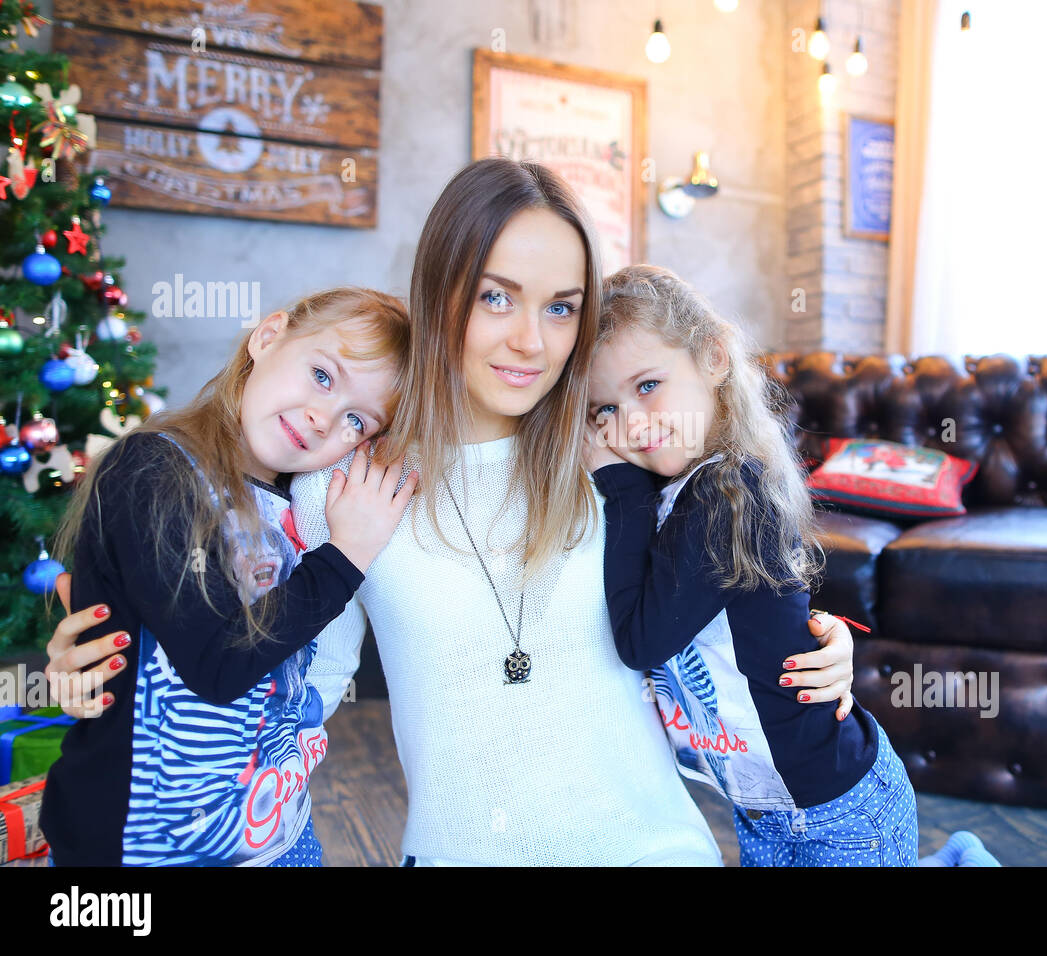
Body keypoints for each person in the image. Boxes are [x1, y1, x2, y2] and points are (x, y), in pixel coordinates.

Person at [43, 158, 859, 866]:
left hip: (656, 850)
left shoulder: (620, 458)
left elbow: (731, 610)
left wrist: (821, 648)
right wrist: (101, 667)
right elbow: (282, 682)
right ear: (442, 293)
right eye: (497, 297)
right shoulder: (346, 486)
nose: (531, 342)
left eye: (561, 307)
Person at [39, 288, 418, 866]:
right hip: (142, 849)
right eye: (322, 375)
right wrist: (346, 554)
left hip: (278, 833)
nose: (323, 419)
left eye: (356, 420)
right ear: (267, 337)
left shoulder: (306, 502)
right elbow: (216, 665)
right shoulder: (155, 468)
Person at [584, 264, 919, 866]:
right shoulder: (674, 489)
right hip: (762, 807)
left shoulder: (726, 489)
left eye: (648, 385)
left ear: (713, 358)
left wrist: (619, 485)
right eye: (604, 408)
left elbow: (639, 641)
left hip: (839, 810)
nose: (630, 423)